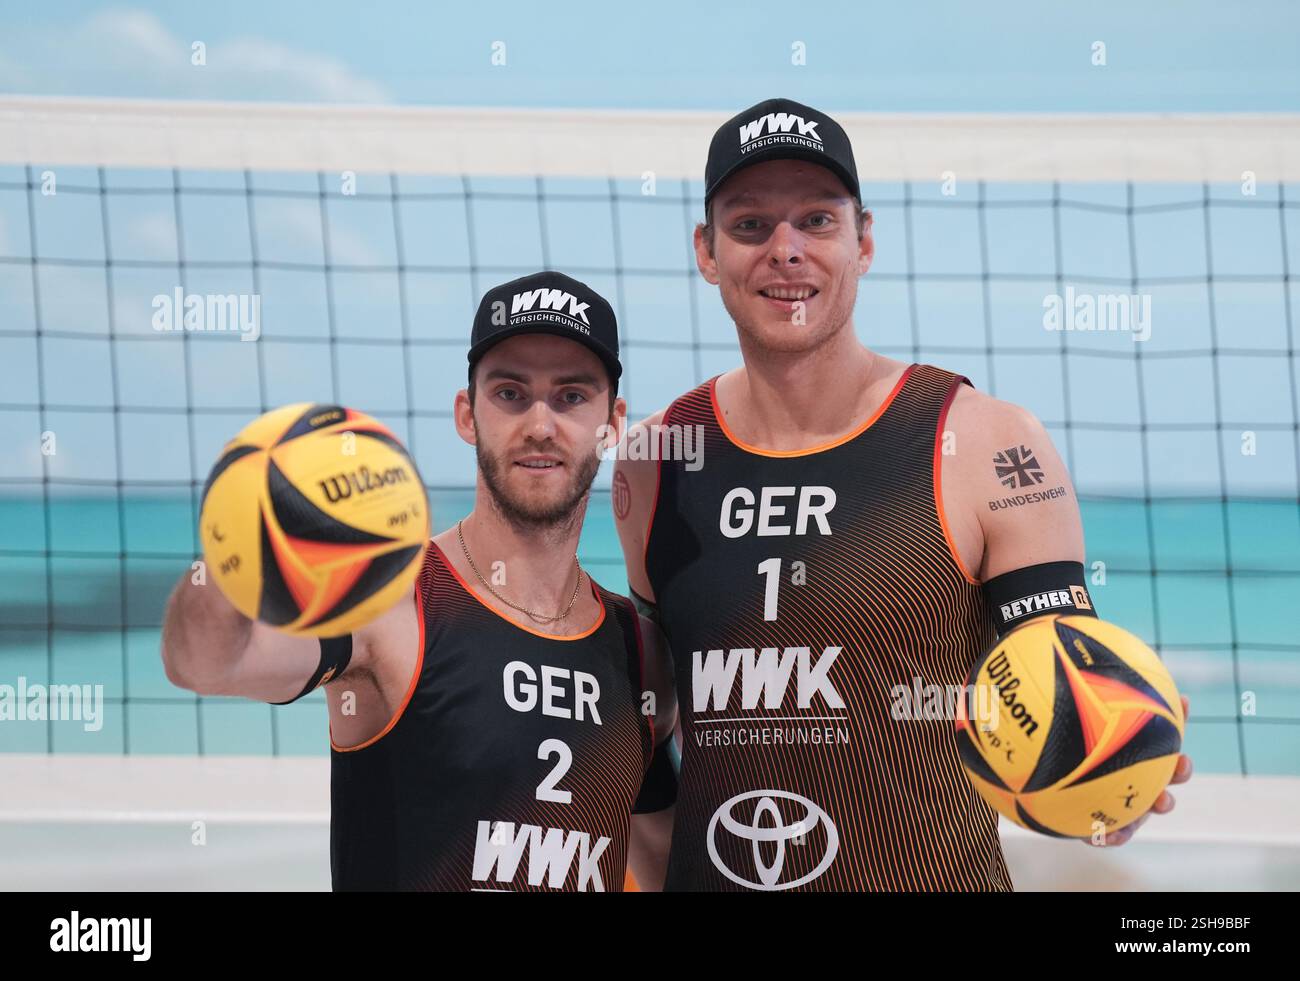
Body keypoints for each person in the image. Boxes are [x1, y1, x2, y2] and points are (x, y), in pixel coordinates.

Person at [612, 98, 1191, 891]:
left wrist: (1110, 768)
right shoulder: (654, 461)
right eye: (750, 226)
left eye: (817, 220)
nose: (786, 252)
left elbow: (1060, 687)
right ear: (706, 251)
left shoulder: (986, 442)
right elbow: (651, 737)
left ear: (865, 240)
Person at [162, 271, 678, 892]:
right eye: (511, 394)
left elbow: (662, 859)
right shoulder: (392, 603)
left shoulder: (638, 651)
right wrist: (243, 536)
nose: (540, 425)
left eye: (571, 397)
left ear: (612, 423)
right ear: (468, 414)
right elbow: (205, 664)